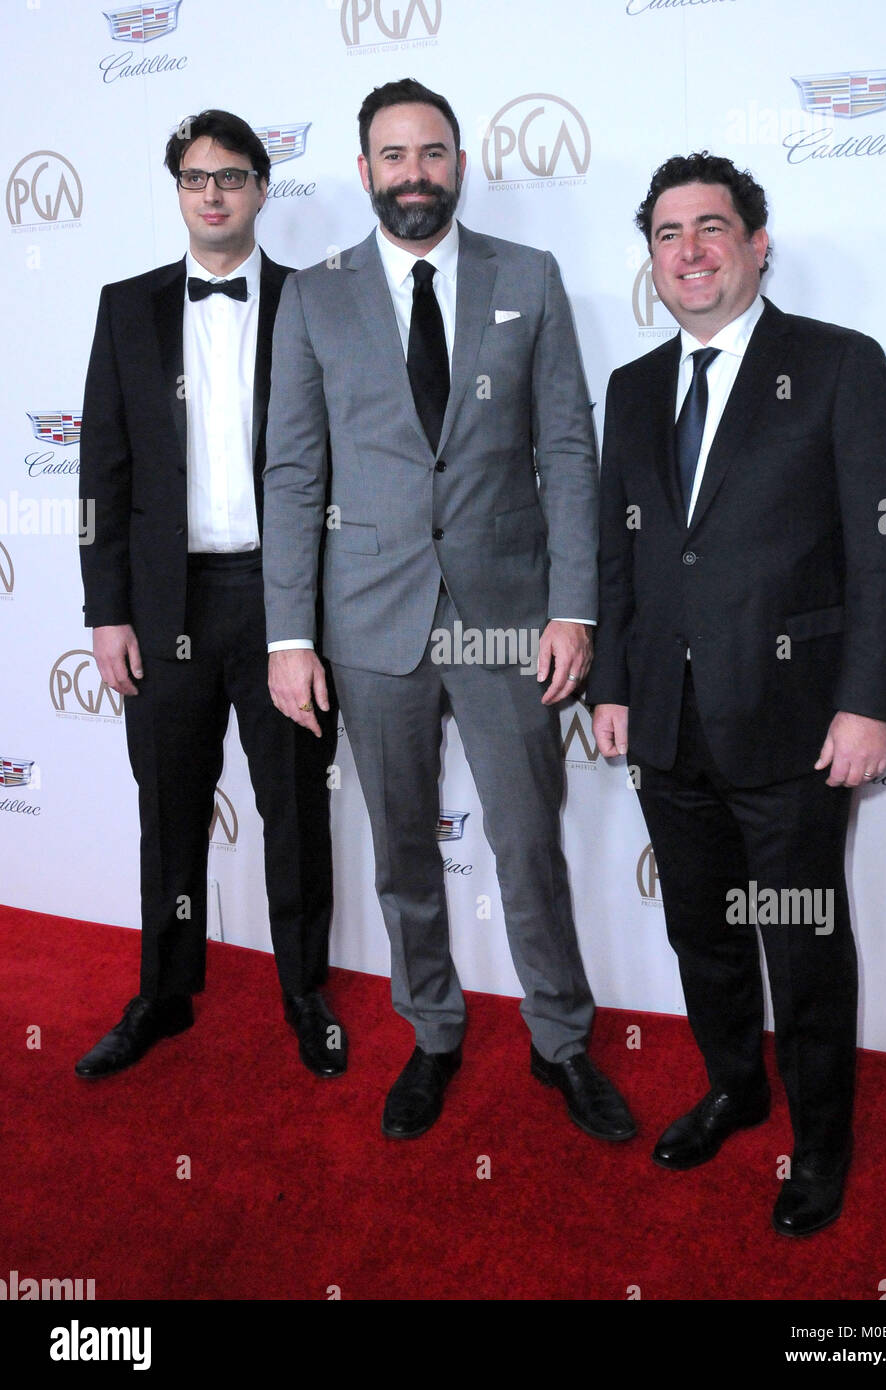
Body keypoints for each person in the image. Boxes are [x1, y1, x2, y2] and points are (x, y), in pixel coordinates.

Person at [263, 78, 634, 1142]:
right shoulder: (317, 295)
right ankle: (431, 1030)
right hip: (366, 622)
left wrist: (574, 607)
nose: (413, 172)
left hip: (511, 615)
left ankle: (559, 1039)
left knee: (528, 843)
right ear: (366, 168)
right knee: (400, 851)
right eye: (393, 155)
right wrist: (291, 633)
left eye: (431, 153)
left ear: (460, 165)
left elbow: (567, 447)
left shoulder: (530, 277)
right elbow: (294, 470)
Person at [589, 152, 886, 1234]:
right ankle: (734, 1084)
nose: (689, 250)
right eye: (668, 233)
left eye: (711, 227)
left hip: (794, 728)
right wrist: (612, 688)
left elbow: (883, 552)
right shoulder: (633, 389)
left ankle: (820, 1143)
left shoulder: (836, 366)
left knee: (801, 946)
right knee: (704, 932)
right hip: (665, 725)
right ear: (651, 257)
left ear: (756, 243)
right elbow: (619, 555)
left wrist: (868, 703)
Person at [76, 109, 345, 1081]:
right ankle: (163, 990)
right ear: (179, 192)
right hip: (165, 606)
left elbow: (353, 462)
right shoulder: (126, 308)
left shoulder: (320, 306)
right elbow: (101, 475)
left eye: (231, 175)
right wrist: (106, 611)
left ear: (263, 188)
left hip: (285, 605)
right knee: (170, 806)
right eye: (196, 178)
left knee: (294, 807)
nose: (214, 192)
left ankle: (304, 990)